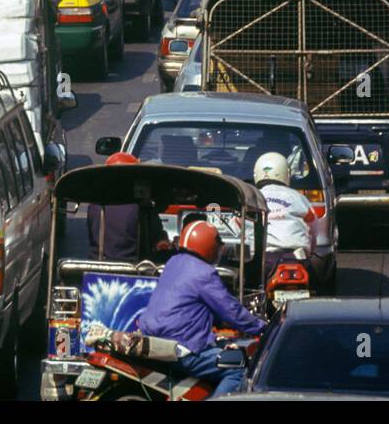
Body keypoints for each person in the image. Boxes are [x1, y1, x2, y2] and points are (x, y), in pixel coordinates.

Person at [136, 220, 266, 397]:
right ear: (209, 247)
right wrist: (262, 327)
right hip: (181, 347)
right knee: (238, 368)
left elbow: (188, 303)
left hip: (154, 340)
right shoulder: (204, 273)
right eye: (217, 246)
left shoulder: (174, 262)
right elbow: (232, 311)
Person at [86, 152, 171, 262]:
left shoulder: (95, 205)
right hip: (134, 269)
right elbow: (155, 236)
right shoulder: (142, 206)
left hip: (97, 266)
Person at [253, 152, 318, 283]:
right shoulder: (298, 197)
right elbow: (313, 227)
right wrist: (311, 250)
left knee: (246, 289)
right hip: (297, 258)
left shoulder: (252, 197)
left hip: (265, 260)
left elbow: (238, 226)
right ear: (286, 173)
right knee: (315, 285)